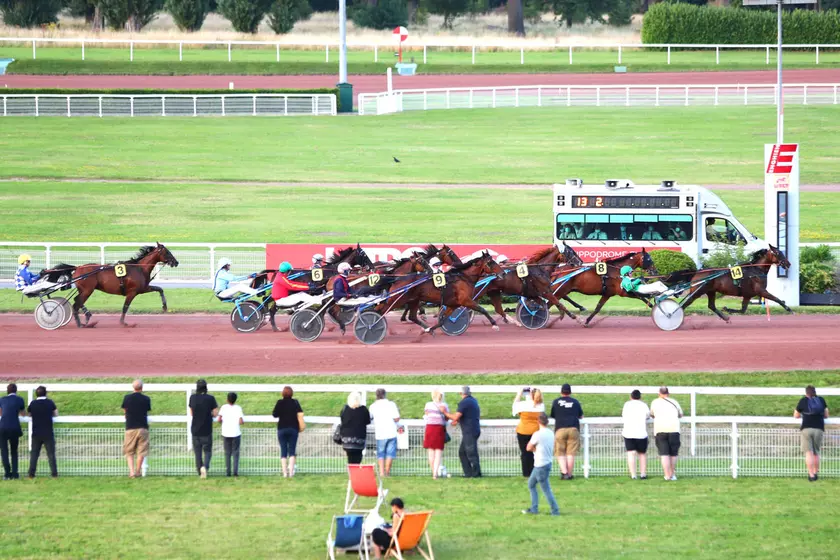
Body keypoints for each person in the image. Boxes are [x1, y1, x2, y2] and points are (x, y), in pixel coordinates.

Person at [522, 414, 560, 517]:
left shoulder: (537, 434)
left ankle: (555, 510)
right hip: (545, 463)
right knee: (531, 484)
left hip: (540, 465)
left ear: (538, 422)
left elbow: (528, 448)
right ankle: (534, 508)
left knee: (546, 489)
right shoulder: (550, 433)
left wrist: (534, 448)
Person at [440, 386, 481, 478]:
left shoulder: (464, 403)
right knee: (462, 452)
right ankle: (469, 473)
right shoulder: (473, 401)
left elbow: (455, 416)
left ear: (461, 393)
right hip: (473, 429)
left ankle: (475, 474)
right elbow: (467, 415)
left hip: (469, 431)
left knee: (471, 453)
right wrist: (458, 420)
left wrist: (445, 412)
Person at [794, 385, 829, 482]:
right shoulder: (821, 400)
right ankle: (816, 472)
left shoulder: (803, 401)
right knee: (816, 452)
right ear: (815, 392)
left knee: (808, 453)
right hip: (819, 428)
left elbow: (796, 415)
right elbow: (826, 415)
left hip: (806, 428)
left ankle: (811, 475)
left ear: (806, 393)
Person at [550, 384, 583, 480]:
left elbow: (553, 415)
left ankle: (564, 473)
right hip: (573, 429)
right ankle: (569, 473)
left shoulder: (556, 402)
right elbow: (580, 415)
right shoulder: (575, 402)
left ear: (561, 392)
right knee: (570, 453)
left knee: (560, 452)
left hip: (560, 429)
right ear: (570, 392)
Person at [650, 387, 683, 481]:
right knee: (673, 453)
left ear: (659, 393)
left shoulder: (655, 402)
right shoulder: (674, 402)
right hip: (674, 429)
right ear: (668, 393)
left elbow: (652, 414)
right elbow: (680, 414)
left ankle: (667, 475)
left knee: (664, 454)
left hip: (660, 429)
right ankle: (673, 474)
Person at [189, 379, 219, 479]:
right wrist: (208, 413)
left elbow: (191, 413)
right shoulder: (210, 398)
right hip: (207, 429)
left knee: (197, 452)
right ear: (206, 387)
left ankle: (199, 469)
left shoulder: (192, 398)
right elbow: (215, 414)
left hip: (195, 429)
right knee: (208, 451)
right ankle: (205, 467)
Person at [121, 379, 151, 479]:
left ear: (133, 387)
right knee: (141, 451)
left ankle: (132, 472)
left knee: (129, 452)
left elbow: (125, 410)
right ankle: (138, 471)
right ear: (142, 388)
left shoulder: (127, 398)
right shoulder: (146, 399)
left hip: (130, 428)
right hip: (143, 428)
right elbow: (146, 410)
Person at [272, 386, 304, 478]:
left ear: (283, 393)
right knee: (292, 450)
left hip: (282, 428)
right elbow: (300, 413)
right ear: (292, 393)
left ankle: (285, 473)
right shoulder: (295, 402)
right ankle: (291, 472)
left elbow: (274, 414)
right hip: (293, 428)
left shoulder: (280, 402)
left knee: (283, 451)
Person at [27, 386, 58, 479]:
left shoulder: (33, 403)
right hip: (48, 433)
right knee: (51, 454)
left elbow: (29, 414)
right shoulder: (50, 402)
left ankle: (31, 474)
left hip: (36, 433)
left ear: (36, 394)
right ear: (46, 393)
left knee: (34, 455)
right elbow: (56, 414)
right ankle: (54, 474)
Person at [513, 387, 545, 478]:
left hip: (523, 431)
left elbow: (514, 406)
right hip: (536, 432)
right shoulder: (541, 406)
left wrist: (519, 393)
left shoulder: (523, 405)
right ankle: (536, 472)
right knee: (536, 453)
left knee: (525, 453)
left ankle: (526, 473)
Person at [369, 389, 401, 478]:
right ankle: (387, 472)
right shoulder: (391, 404)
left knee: (381, 454)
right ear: (385, 395)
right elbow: (397, 418)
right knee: (390, 454)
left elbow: (370, 418)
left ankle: (382, 473)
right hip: (391, 432)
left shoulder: (373, 406)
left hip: (380, 433)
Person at [622, 390, 650, 480]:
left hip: (628, 432)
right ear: (640, 397)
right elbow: (648, 415)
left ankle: (633, 475)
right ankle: (643, 474)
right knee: (642, 454)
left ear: (631, 396)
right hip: (641, 433)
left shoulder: (627, 405)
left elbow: (623, 415)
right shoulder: (643, 405)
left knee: (631, 453)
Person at [0, 383, 26, 480]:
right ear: (16, 391)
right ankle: (15, 473)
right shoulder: (19, 399)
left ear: (7, 391)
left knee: (4, 451)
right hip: (14, 427)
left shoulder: (2, 399)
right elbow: (23, 414)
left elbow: (1, 412)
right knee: (14, 451)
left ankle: (7, 473)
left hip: (2, 427)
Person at [423, 389, 449, 479]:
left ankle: (433, 471)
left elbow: (426, 414)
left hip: (429, 428)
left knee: (431, 452)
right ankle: (435, 473)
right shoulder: (444, 405)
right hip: (439, 429)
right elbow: (446, 418)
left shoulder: (428, 404)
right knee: (438, 452)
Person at [217, 392, 244, 477]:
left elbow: (219, 419)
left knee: (227, 453)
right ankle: (235, 472)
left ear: (227, 399)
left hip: (226, 433)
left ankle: (228, 472)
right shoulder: (238, 408)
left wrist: (223, 421)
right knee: (236, 453)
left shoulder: (224, 407)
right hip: (236, 433)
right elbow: (241, 421)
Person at [339, 392, 371, 464]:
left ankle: (351, 472)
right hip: (359, 438)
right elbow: (367, 421)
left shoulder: (345, 409)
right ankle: (356, 472)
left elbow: (342, 420)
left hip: (347, 439)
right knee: (358, 457)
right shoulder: (363, 410)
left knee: (350, 457)